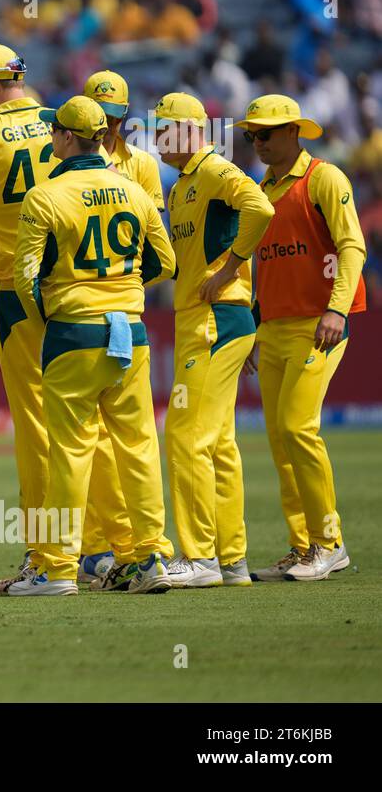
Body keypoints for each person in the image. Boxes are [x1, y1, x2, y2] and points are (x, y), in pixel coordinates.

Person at [0, 44, 127, 591]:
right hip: (89, 291)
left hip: (21, 295)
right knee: (90, 426)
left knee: (36, 428)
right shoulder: (67, 122)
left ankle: (46, 554)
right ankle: (108, 547)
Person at [8, 96, 176, 596]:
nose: (50, 137)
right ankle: (148, 558)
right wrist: (122, 295)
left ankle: (58, 568)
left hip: (72, 333)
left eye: (53, 131)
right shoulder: (135, 190)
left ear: (64, 138)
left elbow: (24, 277)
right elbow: (164, 262)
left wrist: (52, 315)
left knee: (70, 451)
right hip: (130, 331)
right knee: (140, 446)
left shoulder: (45, 195)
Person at [240, 95, 366, 581]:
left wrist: (336, 308)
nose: (259, 142)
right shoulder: (260, 187)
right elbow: (263, 266)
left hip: (319, 325)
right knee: (278, 439)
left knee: (297, 428)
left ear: (294, 131)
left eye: (266, 133)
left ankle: (330, 543)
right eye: (253, 135)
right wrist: (254, 327)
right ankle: (303, 546)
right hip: (271, 327)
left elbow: (353, 245)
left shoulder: (325, 178)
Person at [154, 93, 274, 588]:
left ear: (187, 130)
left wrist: (229, 269)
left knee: (185, 437)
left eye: (164, 129)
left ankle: (199, 558)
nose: (157, 139)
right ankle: (231, 560)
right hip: (208, 321)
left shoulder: (213, 171)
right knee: (219, 444)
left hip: (213, 321)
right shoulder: (183, 184)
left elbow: (260, 209)